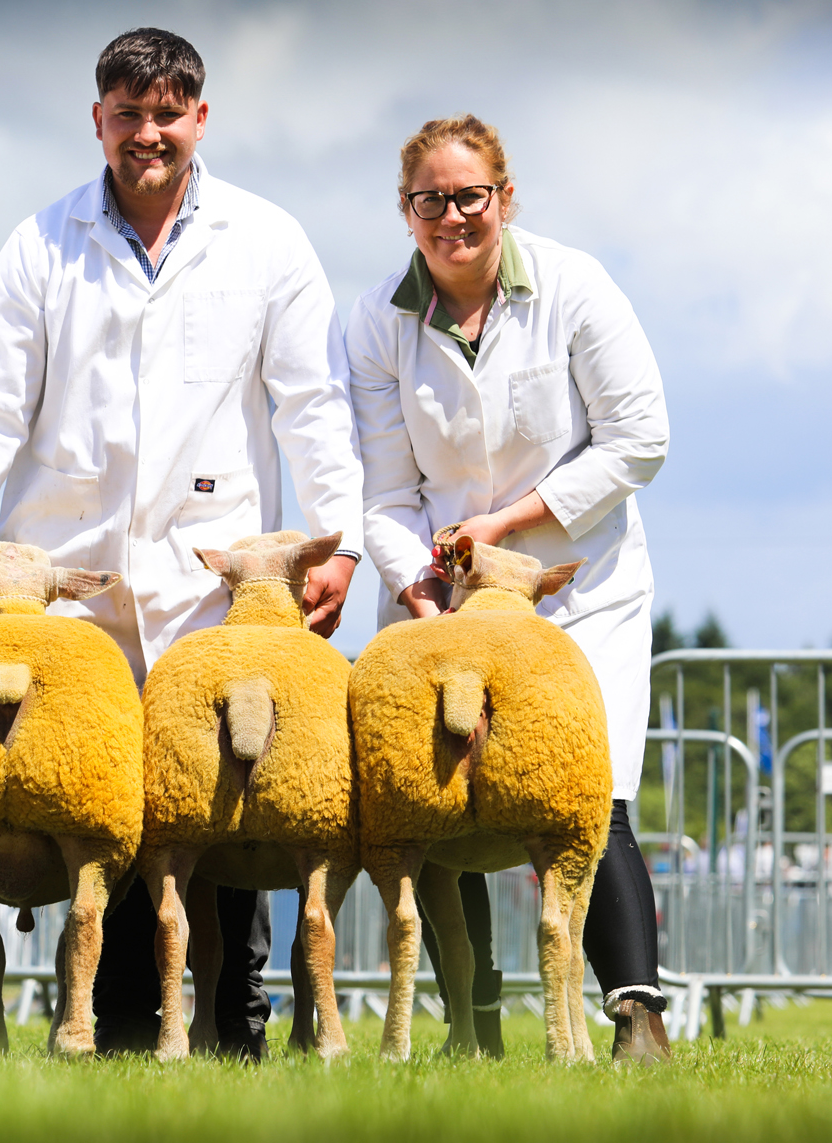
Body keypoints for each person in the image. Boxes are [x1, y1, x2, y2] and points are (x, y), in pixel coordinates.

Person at [0, 29, 363, 1057]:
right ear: (99, 119)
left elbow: (310, 406)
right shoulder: (41, 244)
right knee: (98, 798)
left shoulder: (267, 240)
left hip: (218, 580)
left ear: (199, 118)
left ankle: (235, 1020)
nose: (147, 133)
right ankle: (115, 1021)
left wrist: (335, 546)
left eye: (168, 114)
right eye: (128, 114)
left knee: (228, 791)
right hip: (68, 580)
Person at [344, 114, 672, 1062]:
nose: (452, 217)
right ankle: (472, 1024)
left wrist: (507, 525)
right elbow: (384, 487)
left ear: (505, 197)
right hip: (441, 601)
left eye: (470, 197)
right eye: (430, 201)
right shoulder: (376, 321)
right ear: (406, 211)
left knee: (589, 792)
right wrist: (417, 590)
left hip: (577, 587)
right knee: (446, 793)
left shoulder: (573, 286)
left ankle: (636, 1014)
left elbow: (639, 437)